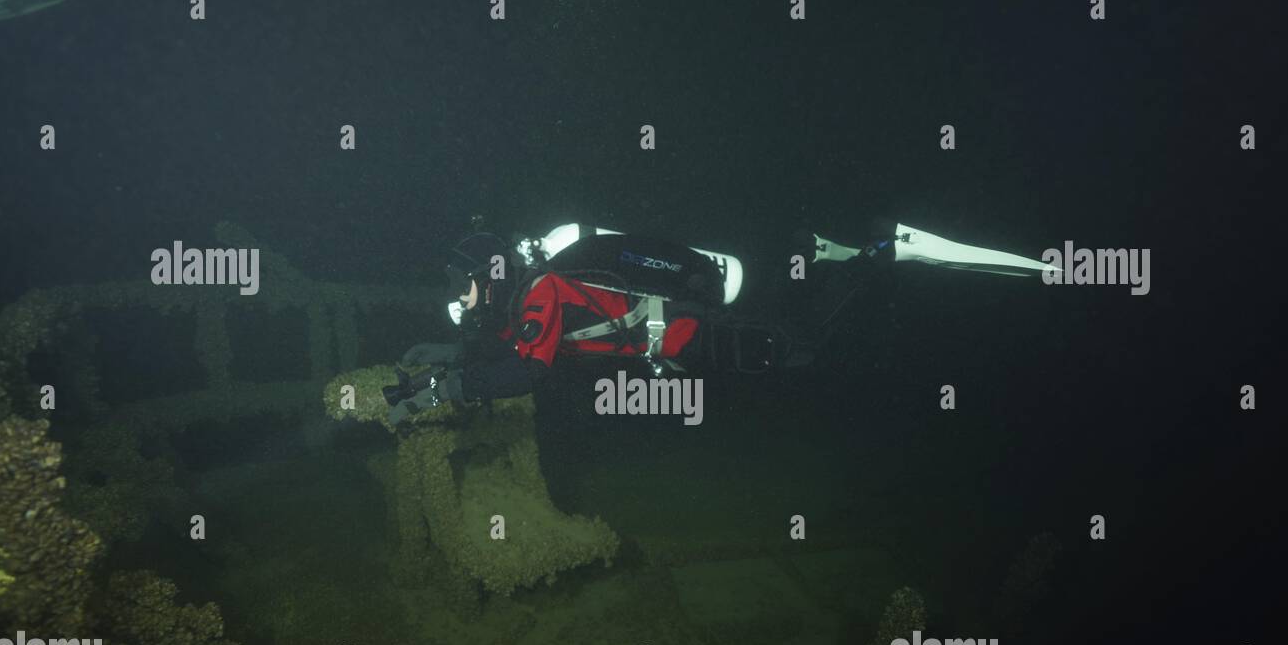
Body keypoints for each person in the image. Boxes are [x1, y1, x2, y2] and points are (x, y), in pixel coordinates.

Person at [384, 221, 1059, 423]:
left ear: (493, 272)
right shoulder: (522, 302)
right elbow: (507, 352)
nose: (456, 296)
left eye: (459, 283)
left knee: (808, 351)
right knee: (800, 344)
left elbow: (528, 369)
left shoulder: (544, 290)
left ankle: (885, 253)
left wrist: (445, 389)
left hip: (700, 336)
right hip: (686, 346)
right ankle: (823, 256)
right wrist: (438, 363)